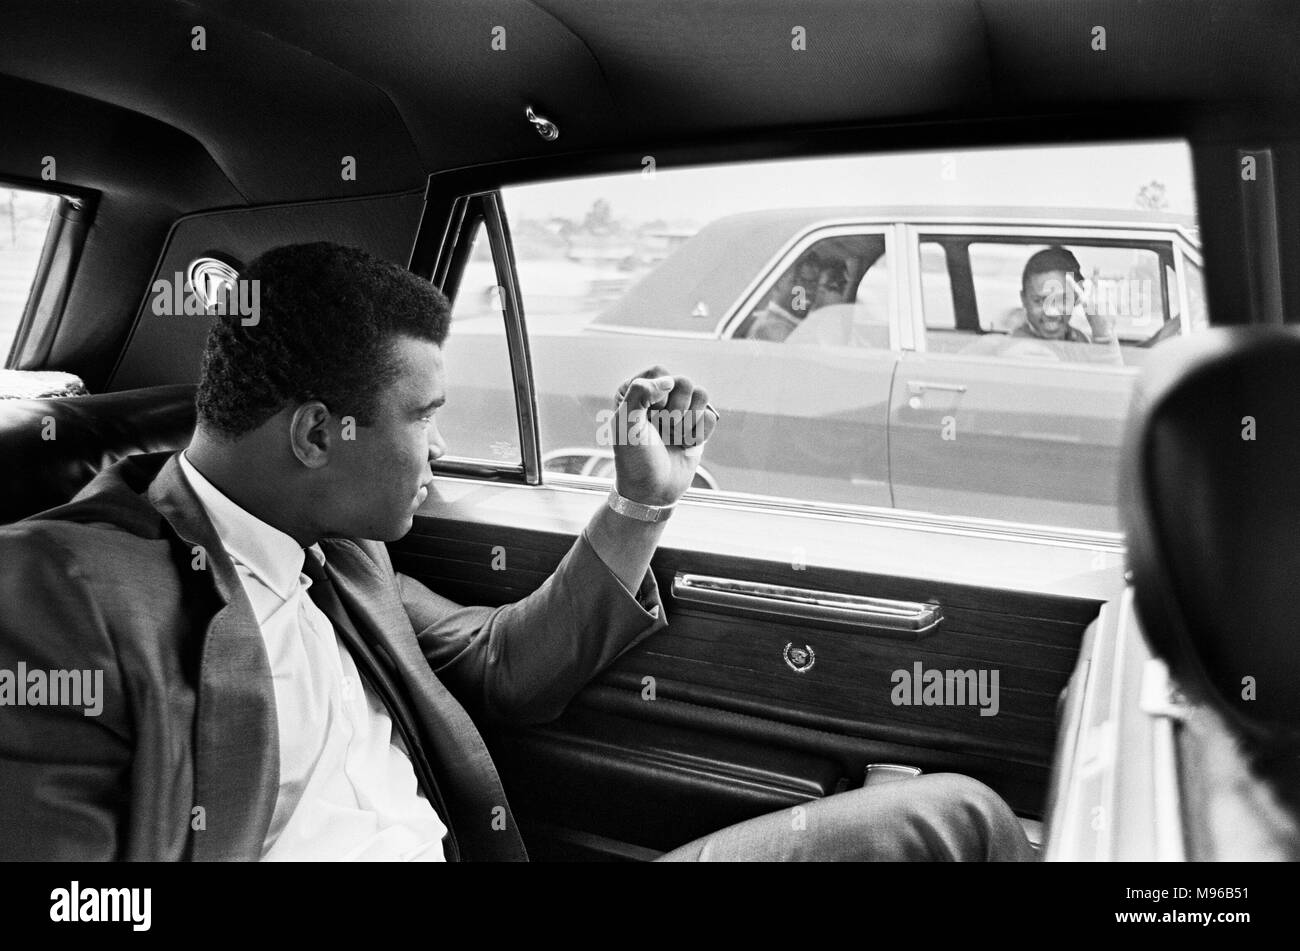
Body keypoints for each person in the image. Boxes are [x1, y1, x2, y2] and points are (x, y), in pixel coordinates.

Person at [0, 242, 1034, 862]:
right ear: (318, 434)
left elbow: (505, 669)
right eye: (425, 414)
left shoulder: (338, 558)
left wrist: (635, 507)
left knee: (953, 823)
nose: (441, 446)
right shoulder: (62, 591)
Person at [963, 247, 1123, 365]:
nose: (1051, 312)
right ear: (1024, 299)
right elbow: (1105, 397)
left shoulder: (1077, 338)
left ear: (1077, 298)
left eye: (1061, 300)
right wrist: (1103, 336)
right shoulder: (1026, 353)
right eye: (1039, 301)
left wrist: (1103, 330)